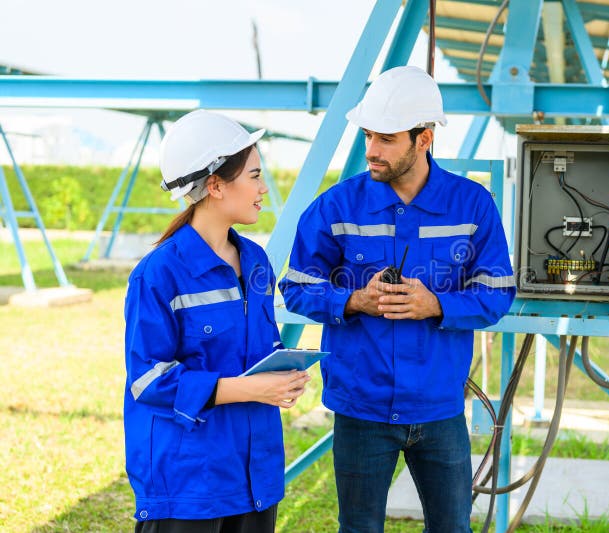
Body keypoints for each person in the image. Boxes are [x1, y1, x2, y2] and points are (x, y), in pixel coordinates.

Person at [279, 66, 516, 532]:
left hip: (439, 407)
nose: (371, 150)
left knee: (452, 528)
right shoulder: (336, 206)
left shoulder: (472, 205)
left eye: (386, 139)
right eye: (368, 135)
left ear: (423, 139)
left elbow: (497, 292)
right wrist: (353, 301)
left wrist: (438, 305)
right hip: (361, 407)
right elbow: (296, 286)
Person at [123, 110, 311, 533]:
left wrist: (284, 372)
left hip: (255, 476)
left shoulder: (256, 261)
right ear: (215, 185)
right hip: (190, 483)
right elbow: (147, 381)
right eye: (255, 176)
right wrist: (251, 389)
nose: (263, 188)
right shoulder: (158, 273)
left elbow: (260, 348)